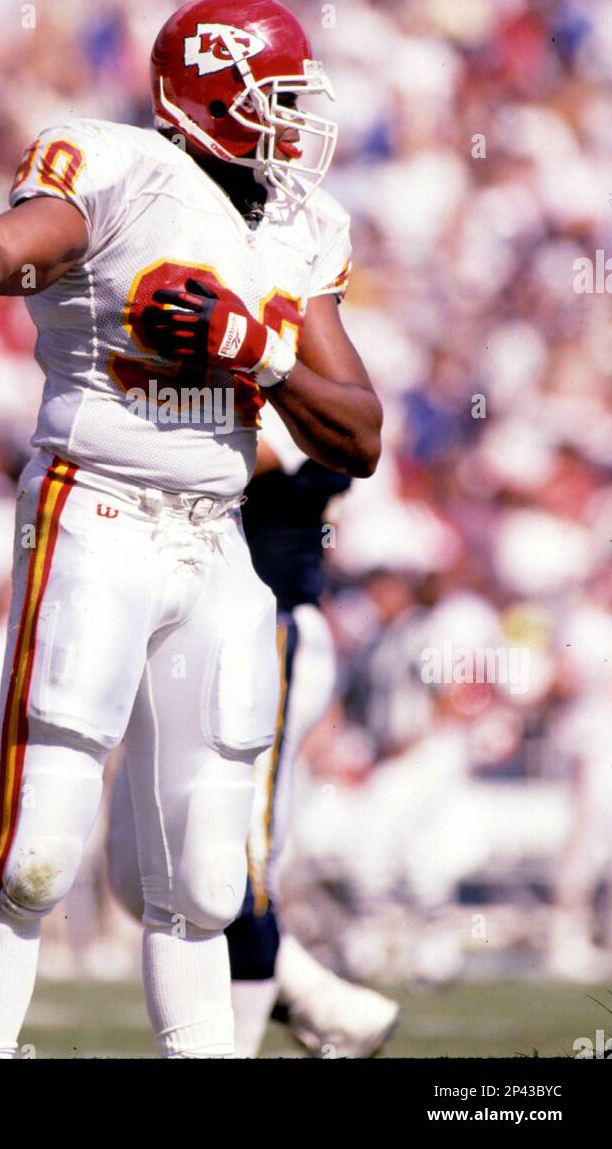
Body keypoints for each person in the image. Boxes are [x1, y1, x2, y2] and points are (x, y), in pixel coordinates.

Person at [0, 0, 381, 1059]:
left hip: (216, 535)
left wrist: (262, 353)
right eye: (275, 99)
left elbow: (358, 433)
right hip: (93, 509)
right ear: (209, 98)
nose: (295, 123)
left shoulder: (302, 222)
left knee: (203, 867)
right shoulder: (117, 166)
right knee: (40, 846)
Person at [108, 403, 398, 1056]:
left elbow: (228, 455)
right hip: (185, 629)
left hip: (267, 630)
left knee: (233, 859)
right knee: (137, 865)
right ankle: (326, 1001)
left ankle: (231, 1050)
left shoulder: (292, 374)